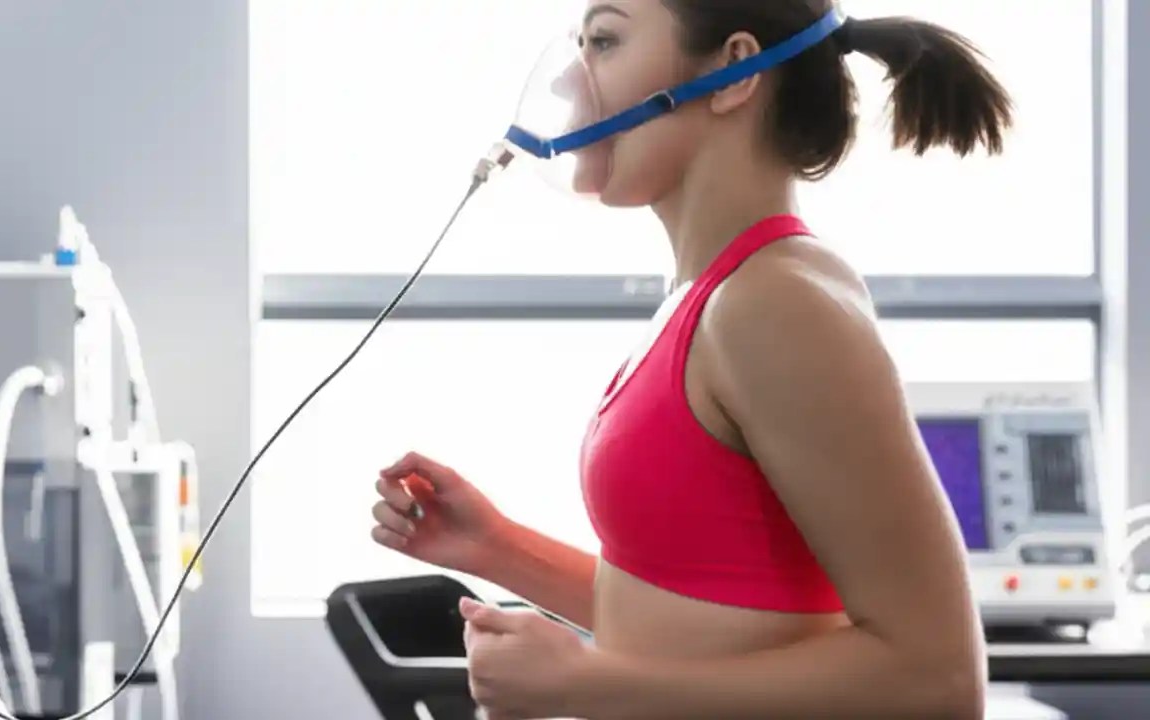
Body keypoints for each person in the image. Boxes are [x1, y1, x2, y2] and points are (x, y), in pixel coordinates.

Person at [372, 1, 1013, 717]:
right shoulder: (709, 298)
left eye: (605, 41)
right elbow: (713, 615)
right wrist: (498, 548)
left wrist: (586, 683)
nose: (564, 85)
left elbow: (937, 681)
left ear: (733, 71)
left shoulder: (775, 305)